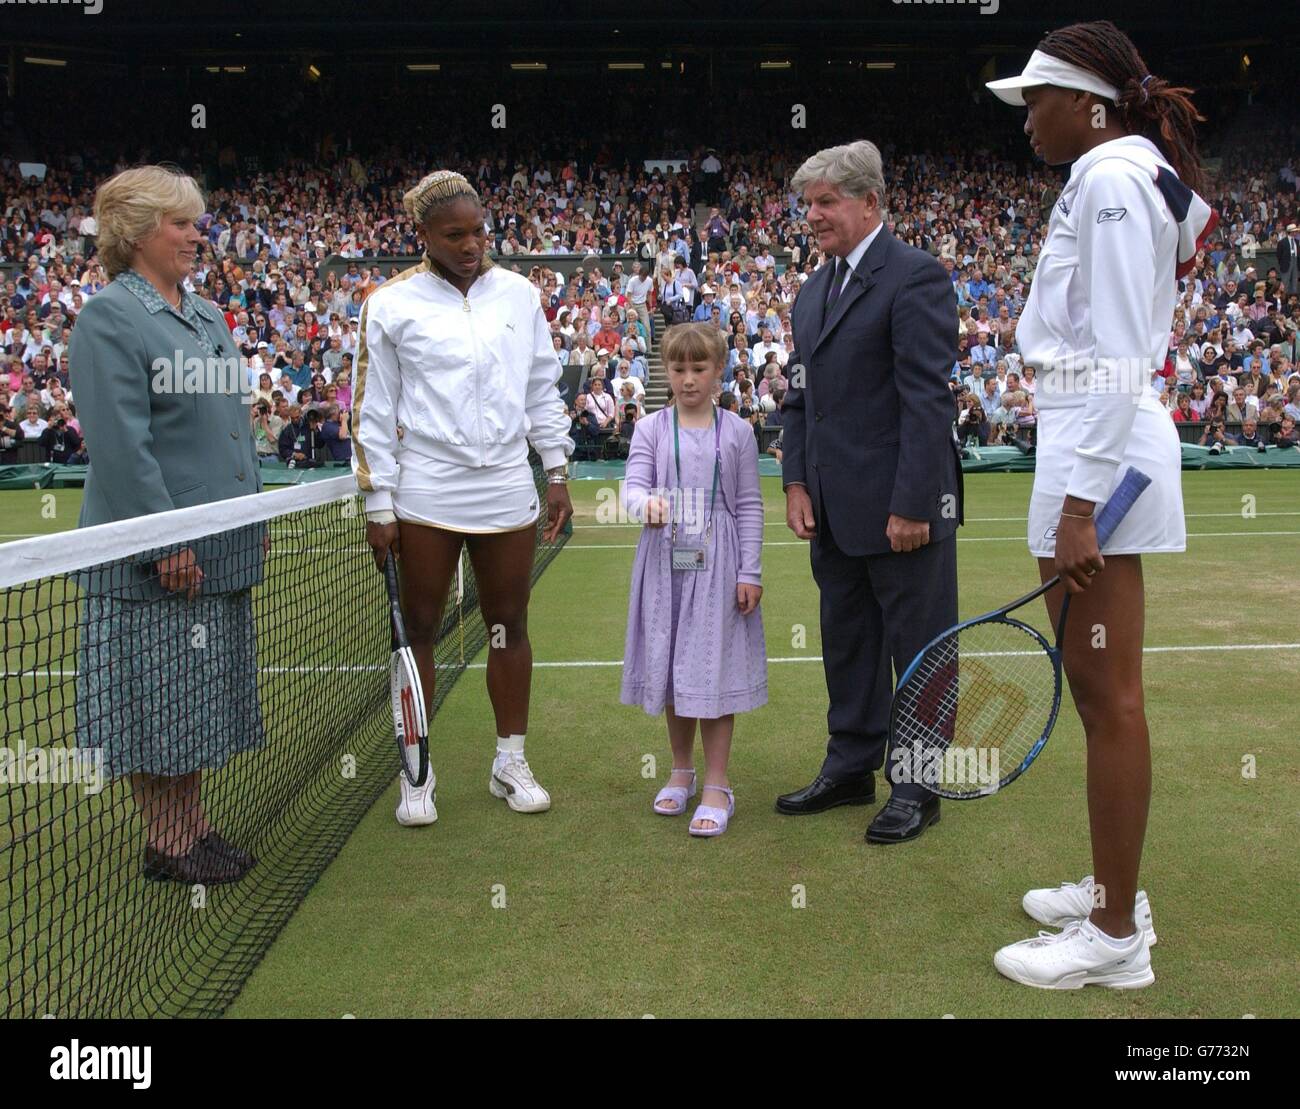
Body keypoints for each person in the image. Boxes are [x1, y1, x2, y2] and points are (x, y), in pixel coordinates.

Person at [985, 18, 1215, 989]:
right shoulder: (1128, 174)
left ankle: (1115, 934)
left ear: (1085, 103)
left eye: (1034, 101)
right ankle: (1112, 892)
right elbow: (1191, 228)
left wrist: (1081, 503)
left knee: (1107, 695)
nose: (1024, 119)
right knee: (1095, 690)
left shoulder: (1112, 179)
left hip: (1098, 444)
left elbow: (1124, 348)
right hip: (1089, 435)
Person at [352, 169, 574, 827]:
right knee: (417, 630)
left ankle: (511, 759)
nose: (472, 243)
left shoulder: (519, 295)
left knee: (509, 622)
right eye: (455, 234)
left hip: (508, 483)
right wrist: (377, 503)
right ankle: (416, 770)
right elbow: (373, 406)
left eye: (478, 230)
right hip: (424, 489)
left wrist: (557, 468)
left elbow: (541, 386)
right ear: (422, 235)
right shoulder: (389, 304)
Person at [69, 165, 263, 886]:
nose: (195, 233)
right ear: (135, 232)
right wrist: (166, 542)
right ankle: (168, 840)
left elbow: (229, 429)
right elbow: (123, 448)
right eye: (179, 222)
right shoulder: (109, 318)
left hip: (221, 540)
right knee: (157, 699)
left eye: (195, 220)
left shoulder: (206, 315)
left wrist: (253, 508)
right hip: (157, 553)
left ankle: (194, 826)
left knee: (194, 694)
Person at [778, 139, 964, 843]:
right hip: (833, 508)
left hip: (902, 509)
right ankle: (852, 764)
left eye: (827, 202)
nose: (814, 216)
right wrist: (796, 479)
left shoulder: (915, 276)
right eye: (808, 204)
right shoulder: (813, 287)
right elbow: (800, 395)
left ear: (870, 203)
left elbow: (926, 401)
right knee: (847, 641)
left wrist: (914, 502)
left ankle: (918, 784)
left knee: (918, 647)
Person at [620, 323, 766, 836]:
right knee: (672, 668)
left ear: (719, 370)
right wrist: (646, 505)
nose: (687, 380)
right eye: (678, 369)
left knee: (713, 670)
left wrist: (750, 571)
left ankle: (718, 784)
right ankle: (681, 770)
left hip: (721, 562)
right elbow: (632, 487)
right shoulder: (651, 428)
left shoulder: (740, 432)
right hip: (665, 561)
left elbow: (748, 506)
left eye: (698, 369)